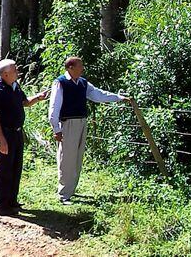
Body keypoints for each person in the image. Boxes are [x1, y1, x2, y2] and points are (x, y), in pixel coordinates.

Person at [48, 56, 130, 204]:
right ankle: (63, 194)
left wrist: (119, 98)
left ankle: (71, 190)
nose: (82, 68)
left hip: (81, 122)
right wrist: (57, 129)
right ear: (70, 68)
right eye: (80, 66)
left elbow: (98, 95)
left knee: (78, 157)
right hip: (68, 123)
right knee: (67, 158)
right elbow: (54, 107)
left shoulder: (83, 83)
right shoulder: (60, 83)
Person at [0, 58, 49, 216]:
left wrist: (38, 98)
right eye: (15, 70)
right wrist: (1, 139)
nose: (18, 71)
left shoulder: (15, 86)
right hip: (5, 134)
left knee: (16, 167)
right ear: (6, 74)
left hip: (17, 133)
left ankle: (12, 201)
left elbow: (25, 102)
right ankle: (1, 206)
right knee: (5, 169)